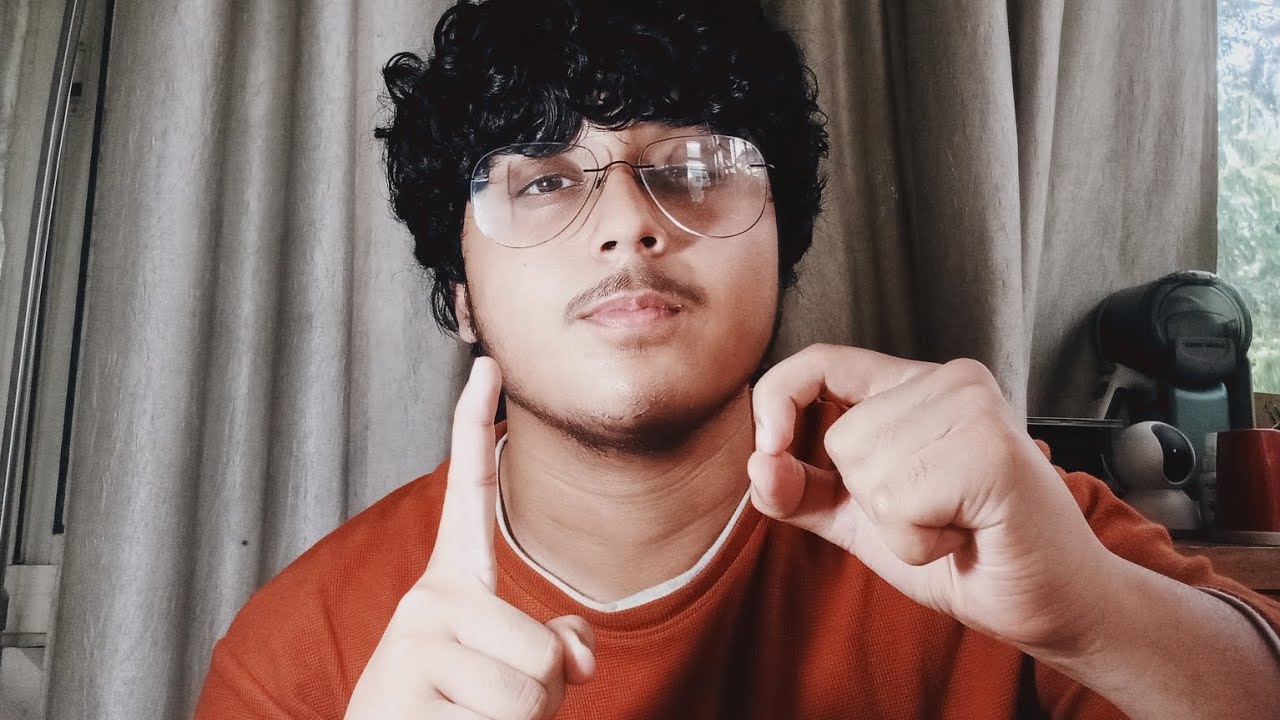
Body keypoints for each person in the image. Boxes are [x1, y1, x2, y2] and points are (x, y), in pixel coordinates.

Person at [195, 1, 1280, 717]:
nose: (628, 222)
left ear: (782, 243)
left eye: (695, 166)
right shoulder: (303, 655)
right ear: (461, 294)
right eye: (544, 180)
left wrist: (1092, 614)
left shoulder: (997, 523)